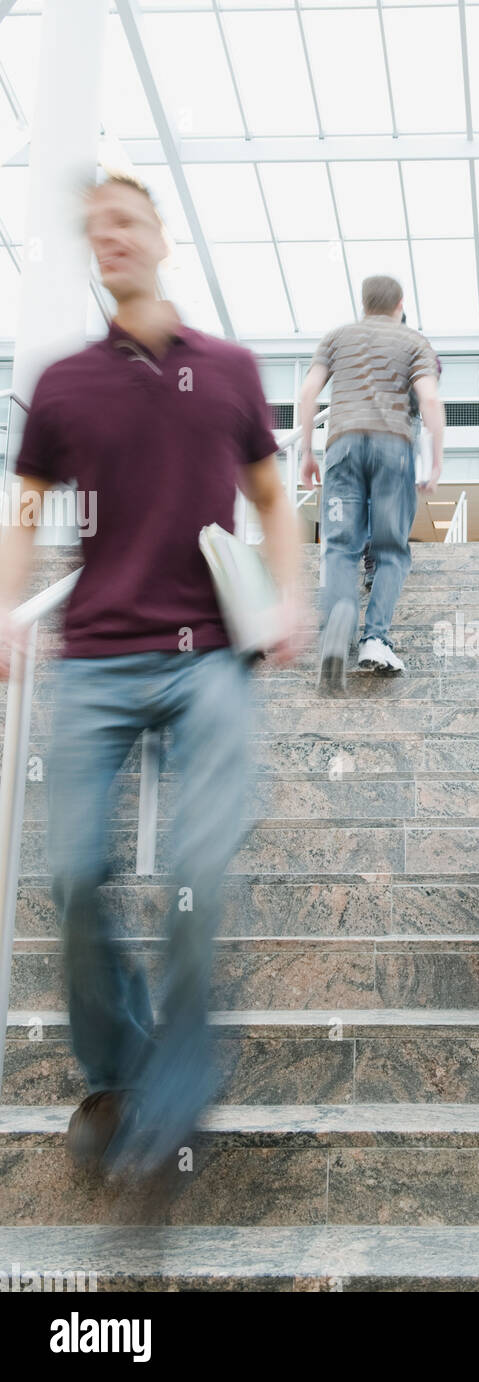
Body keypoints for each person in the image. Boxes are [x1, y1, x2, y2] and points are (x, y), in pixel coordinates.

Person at [0, 173, 303, 1177]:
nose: (110, 238)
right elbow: (25, 507)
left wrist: (290, 597)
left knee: (197, 878)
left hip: (208, 658)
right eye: (96, 230)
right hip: (92, 655)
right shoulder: (63, 383)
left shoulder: (225, 370)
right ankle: (118, 1065)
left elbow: (273, 494)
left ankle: (168, 1093)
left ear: (162, 232)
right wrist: (7, 610)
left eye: (125, 221)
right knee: (75, 873)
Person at [298, 276, 445, 690]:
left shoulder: (336, 337)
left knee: (340, 547)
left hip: (342, 446)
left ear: (363, 303)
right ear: (400, 303)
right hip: (393, 449)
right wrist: (436, 461)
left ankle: (337, 624)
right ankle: (374, 640)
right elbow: (430, 400)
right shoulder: (414, 342)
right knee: (391, 551)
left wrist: (307, 452)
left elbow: (308, 392)